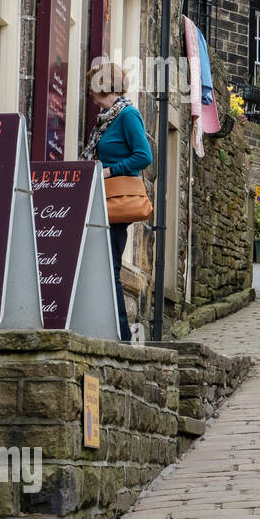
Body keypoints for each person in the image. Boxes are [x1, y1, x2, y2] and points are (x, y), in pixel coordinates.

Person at [81, 60, 151, 342]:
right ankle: (106, 330)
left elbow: (144, 156)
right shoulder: (106, 119)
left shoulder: (127, 115)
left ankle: (122, 336)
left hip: (114, 201)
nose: (90, 95)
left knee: (110, 267)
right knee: (99, 266)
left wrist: (110, 169)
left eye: (93, 88)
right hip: (97, 198)